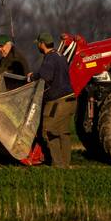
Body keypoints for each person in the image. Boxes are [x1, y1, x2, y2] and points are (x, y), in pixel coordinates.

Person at [29, 32, 75, 168]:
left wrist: (32, 76)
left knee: (47, 131)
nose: (38, 46)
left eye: (38, 43)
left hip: (58, 101)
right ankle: (65, 164)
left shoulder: (49, 58)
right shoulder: (61, 56)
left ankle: (57, 164)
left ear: (42, 44)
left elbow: (45, 76)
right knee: (63, 132)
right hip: (71, 100)